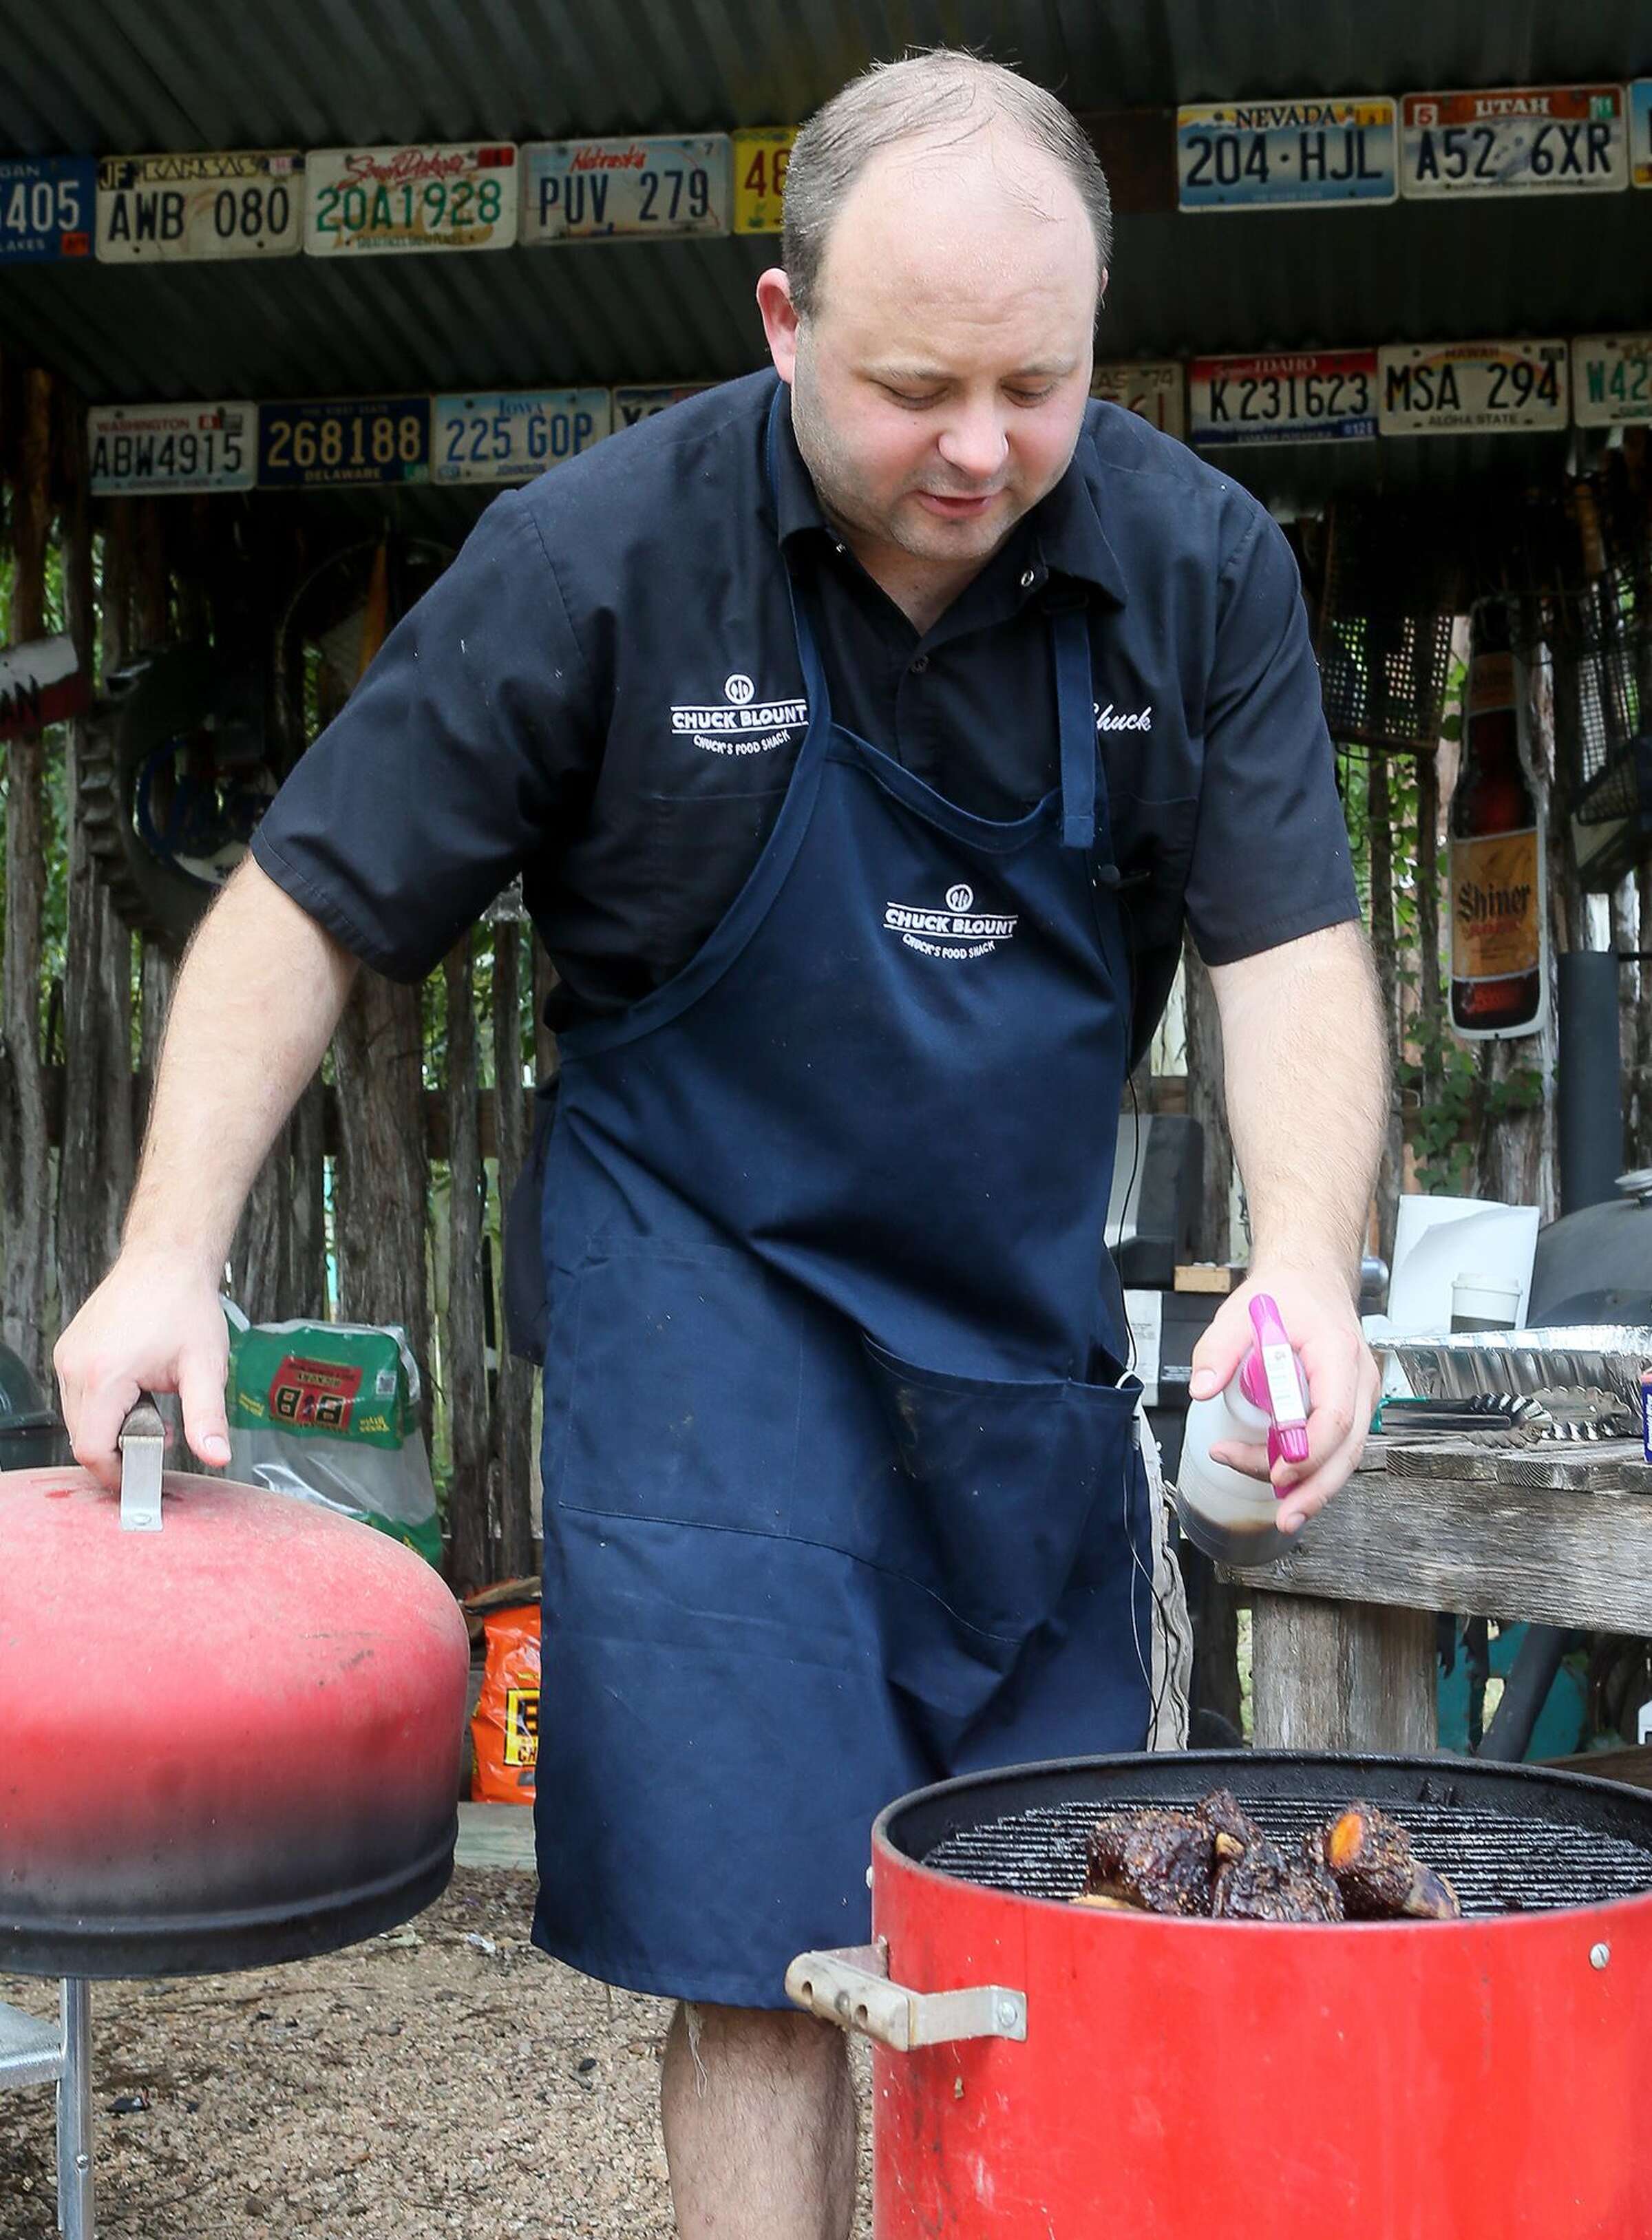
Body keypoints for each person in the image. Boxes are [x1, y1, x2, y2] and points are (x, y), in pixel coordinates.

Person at [55, 50, 1386, 2240]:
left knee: (1053, 1933)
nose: (978, 447)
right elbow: (307, 902)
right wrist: (161, 1250)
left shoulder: (1195, 566)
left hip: (1016, 1354)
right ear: (782, 326)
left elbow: (1294, 945)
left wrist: (1313, 1267)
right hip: (712, 1333)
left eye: (1035, 386)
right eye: (912, 385)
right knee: (771, 1966)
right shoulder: (595, 560)